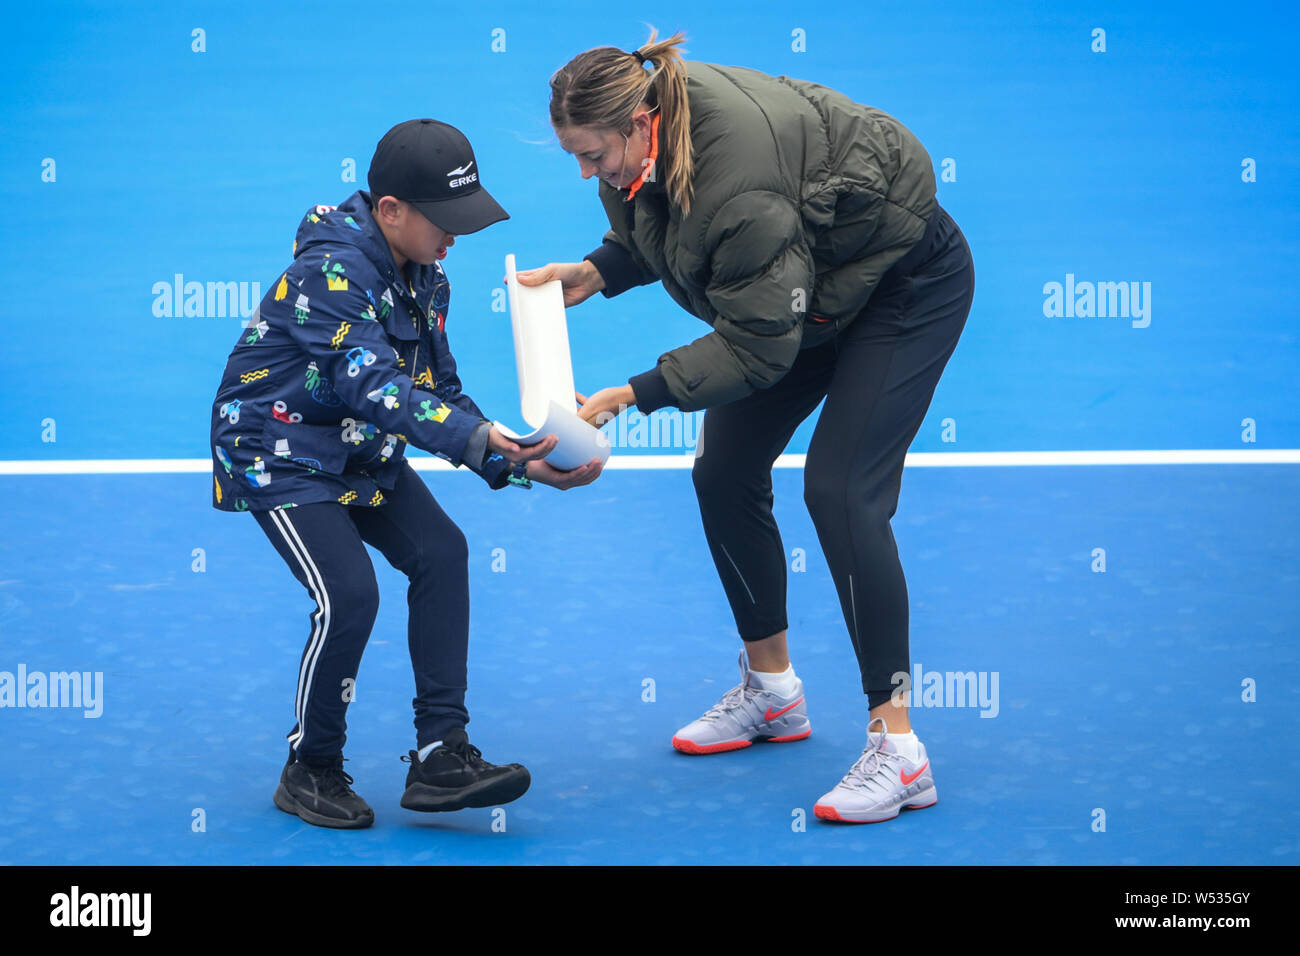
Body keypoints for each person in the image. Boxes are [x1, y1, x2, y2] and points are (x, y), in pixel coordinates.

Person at [518, 31, 974, 823]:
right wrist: (599, 270)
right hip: (806, 285)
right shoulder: (646, 142)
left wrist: (636, 392)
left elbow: (760, 343)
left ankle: (898, 747)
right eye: (574, 158)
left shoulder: (739, 177)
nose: (588, 172)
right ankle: (774, 694)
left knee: (840, 492)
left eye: (593, 154)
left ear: (637, 121)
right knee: (723, 470)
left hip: (900, 283)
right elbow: (663, 228)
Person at [210, 118, 603, 829]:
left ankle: (439, 754)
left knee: (442, 553)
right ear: (389, 211)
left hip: (361, 449)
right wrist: (478, 438)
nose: (456, 236)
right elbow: (375, 387)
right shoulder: (328, 273)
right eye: (444, 221)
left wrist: (519, 457)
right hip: (280, 452)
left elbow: (439, 391)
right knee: (350, 595)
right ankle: (312, 766)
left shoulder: (428, 276)